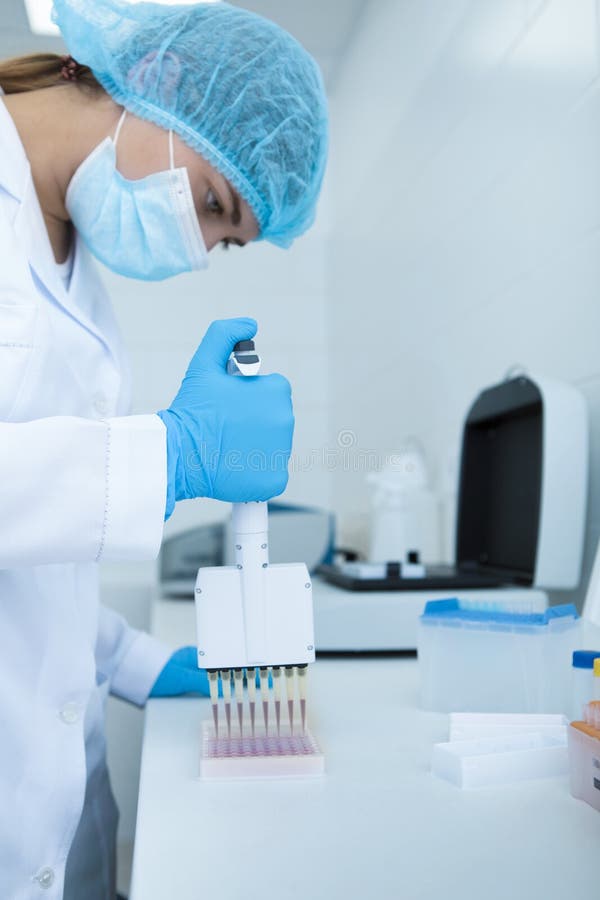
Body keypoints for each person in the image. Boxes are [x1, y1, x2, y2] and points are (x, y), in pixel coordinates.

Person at [0, 0, 328, 896]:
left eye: (224, 245)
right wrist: (170, 456)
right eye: (216, 207)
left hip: (54, 800)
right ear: (161, 85)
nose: (198, 249)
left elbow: (31, 570)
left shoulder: (69, 251)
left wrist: (135, 662)